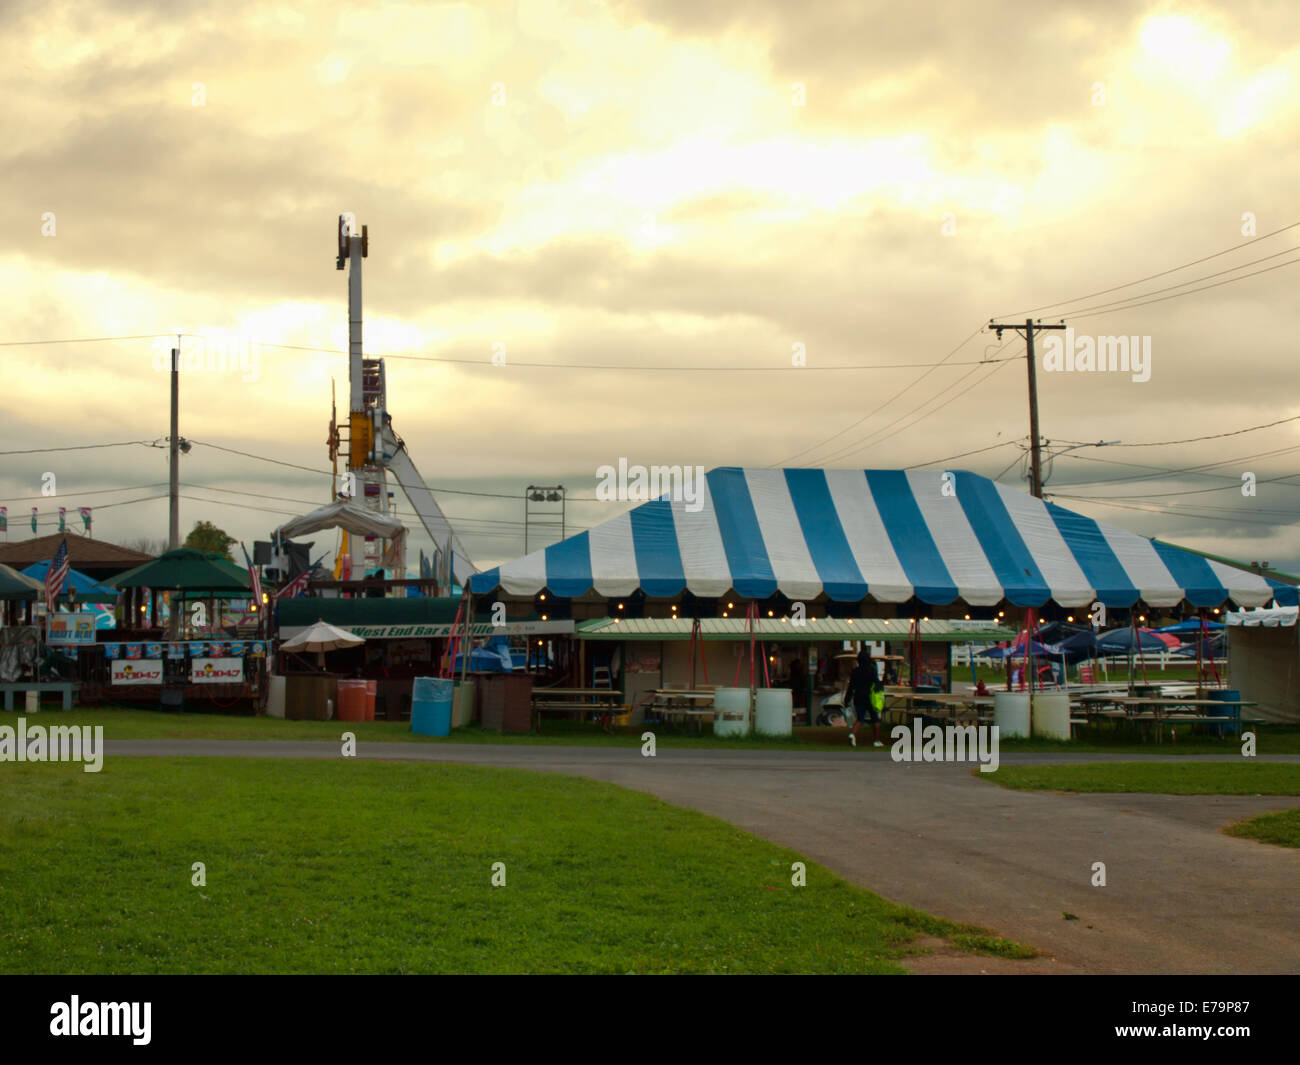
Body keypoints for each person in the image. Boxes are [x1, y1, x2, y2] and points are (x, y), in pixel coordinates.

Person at [844, 649, 883, 748]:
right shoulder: (872, 670)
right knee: (875, 719)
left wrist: (847, 699)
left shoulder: (855, 671)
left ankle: (852, 734)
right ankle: (876, 740)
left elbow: (851, 686)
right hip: (870, 698)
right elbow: (877, 683)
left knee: (860, 719)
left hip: (858, 697)